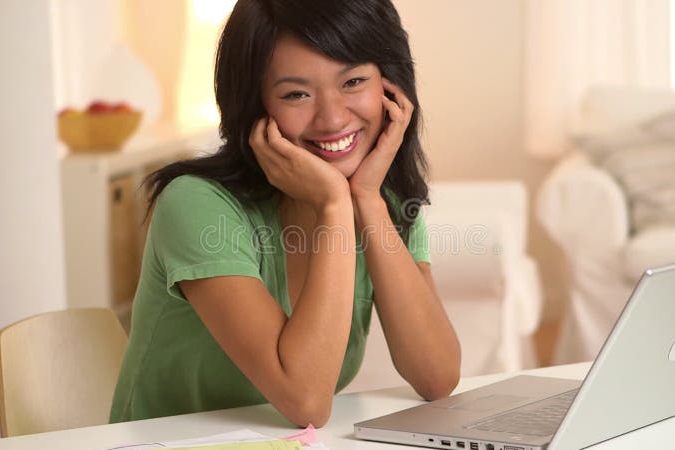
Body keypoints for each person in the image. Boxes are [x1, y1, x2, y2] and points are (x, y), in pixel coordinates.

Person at [110, 0, 461, 428]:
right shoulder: (197, 205)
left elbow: (437, 376)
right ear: (256, 107)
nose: (332, 118)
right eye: (297, 94)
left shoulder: (383, 205)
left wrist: (366, 200)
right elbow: (306, 402)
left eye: (353, 81)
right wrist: (334, 205)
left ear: (391, 89)